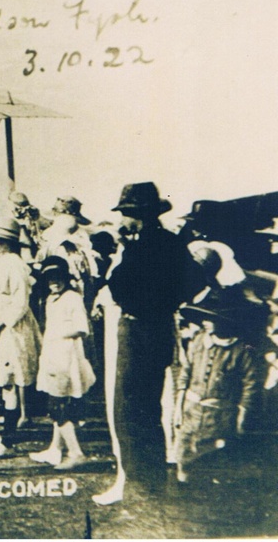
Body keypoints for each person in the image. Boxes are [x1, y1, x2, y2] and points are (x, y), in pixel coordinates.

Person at [93, 181, 204, 505]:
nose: (122, 222)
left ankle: (136, 485)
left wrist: (142, 302)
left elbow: (116, 284)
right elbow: (195, 280)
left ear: (135, 215)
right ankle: (150, 483)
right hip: (159, 330)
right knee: (149, 408)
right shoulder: (171, 242)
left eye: (125, 215)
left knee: (129, 410)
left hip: (137, 330)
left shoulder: (139, 247)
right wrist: (166, 303)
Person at [173, 293, 259, 483]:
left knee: (215, 463)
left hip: (220, 417)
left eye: (211, 318)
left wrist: (241, 417)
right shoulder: (198, 341)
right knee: (185, 462)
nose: (205, 322)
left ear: (223, 321)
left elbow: (250, 385)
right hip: (191, 412)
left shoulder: (241, 349)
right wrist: (178, 407)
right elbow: (185, 372)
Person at [0, 217, 42, 459]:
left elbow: (20, 302)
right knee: (5, 383)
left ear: (5, 243)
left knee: (10, 381)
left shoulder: (14, 264)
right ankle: (5, 437)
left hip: (11, 331)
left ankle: (7, 440)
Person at [29, 256, 95, 470]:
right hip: (52, 355)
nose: (54, 282)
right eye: (49, 279)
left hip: (65, 357)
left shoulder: (72, 298)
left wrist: (57, 334)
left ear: (66, 278)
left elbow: (82, 328)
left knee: (56, 406)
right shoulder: (51, 299)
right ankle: (55, 449)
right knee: (56, 401)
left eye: (58, 278)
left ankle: (76, 452)